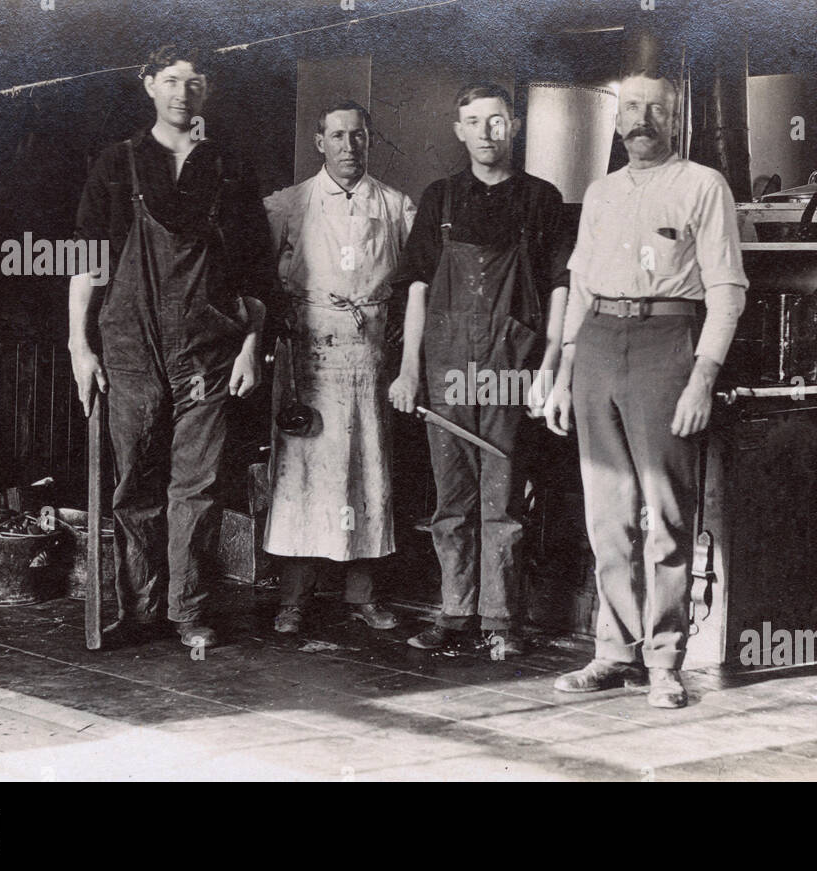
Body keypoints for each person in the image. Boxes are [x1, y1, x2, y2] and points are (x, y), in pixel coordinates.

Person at [543, 70, 748, 708]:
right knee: (606, 516)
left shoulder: (703, 186)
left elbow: (727, 291)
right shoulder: (600, 193)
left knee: (665, 514)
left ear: (673, 117)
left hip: (668, 343)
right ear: (617, 119)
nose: (641, 119)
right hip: (598, 342)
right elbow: (579, 286)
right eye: (630, 108)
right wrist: (564, 372)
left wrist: (702, 377)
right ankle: (612, 652)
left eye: (654, 109)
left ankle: (664, 661)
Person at [68, 44, 272, 649]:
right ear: (149, 86)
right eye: (172, 81)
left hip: (209, 347)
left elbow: (256, 273)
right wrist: (80, 346)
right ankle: (139, 609)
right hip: (130, 345)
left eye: (195, 83)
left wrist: (250, 348)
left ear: (205, 92)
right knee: (135, 483)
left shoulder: (230, 169)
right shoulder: (117, 162)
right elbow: (85, 260)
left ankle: (188, 611)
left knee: (197, 487)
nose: (184, 93)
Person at [390, 82, 571, 656]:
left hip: (509, 367)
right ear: (459, 129)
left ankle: (502, 620)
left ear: (512, 126)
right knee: (451, 501)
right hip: (445, 367)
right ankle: (455, 615)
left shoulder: (541, 199)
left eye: (497, 121)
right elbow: (416, 290)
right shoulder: (439, 199)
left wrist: (550, 363)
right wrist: (408, 371)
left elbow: (561, 287)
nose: (487, 132)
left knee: (504, 500)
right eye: (474, 121)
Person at [261, 100, 415, 634]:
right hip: (308, 355)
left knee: (368, 468)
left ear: (370, 142)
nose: (349, 147)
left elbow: (417, 281)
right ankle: (293, 599)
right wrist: (281, 317)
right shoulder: (287, 205)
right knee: (302, 474)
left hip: (370, 355)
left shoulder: (396, 207)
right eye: (338, 136)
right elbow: (257, 278)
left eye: (359, 137)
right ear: (319, 141)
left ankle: (363, 595)